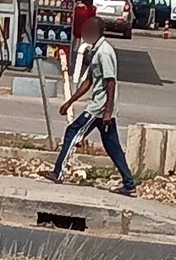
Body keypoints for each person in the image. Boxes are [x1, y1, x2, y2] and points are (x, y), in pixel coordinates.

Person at [45, 15, 136, 197]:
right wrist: (70, 102)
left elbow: (111, 82)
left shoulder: (105, 53)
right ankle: (129, 184)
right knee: (112, 146)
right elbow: (88, 81)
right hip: (101, 108)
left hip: (99, 109)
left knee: (72, 132)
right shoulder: (96, 50)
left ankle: (58, 172)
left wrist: (108, 111)